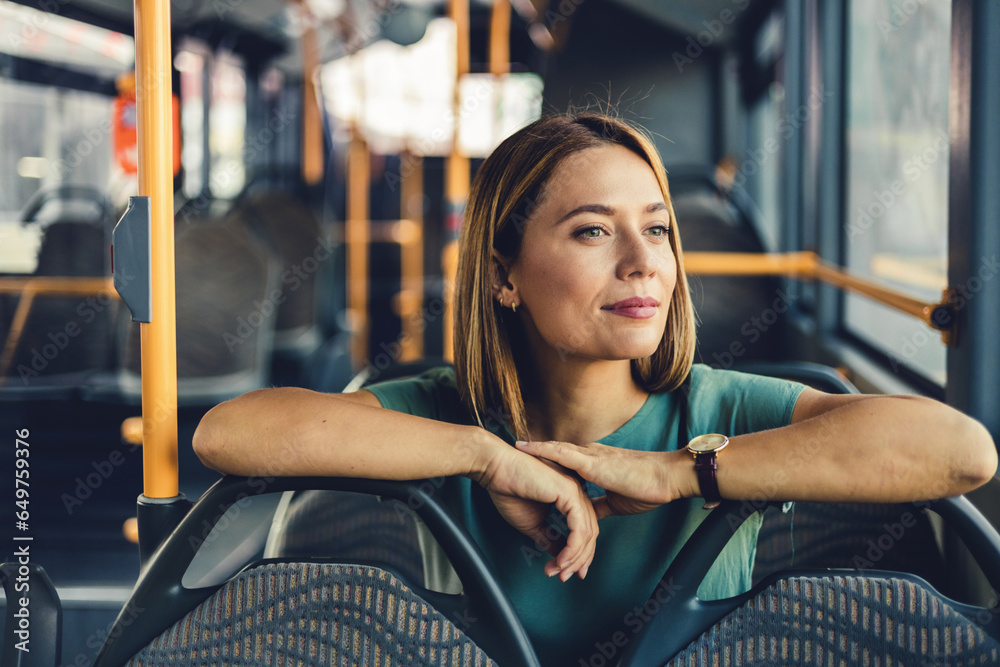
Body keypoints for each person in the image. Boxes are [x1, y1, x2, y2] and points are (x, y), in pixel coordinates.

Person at [193, 113, 997, 666]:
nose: (643, 261)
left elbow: (962, 453)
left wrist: (679, 473)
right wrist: (486, 457)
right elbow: (229, 431)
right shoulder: (438, 413)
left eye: (656, 229)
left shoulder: (719, 412)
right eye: (592, 229)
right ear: (504, 273)